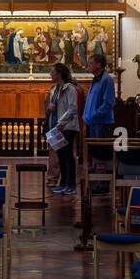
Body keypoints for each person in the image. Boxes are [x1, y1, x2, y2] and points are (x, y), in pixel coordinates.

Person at [48, 62, 79, 196]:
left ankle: (70, 185)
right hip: (56, 127)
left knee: (68, 156)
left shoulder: (70, 88)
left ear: (59, 74)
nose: (50, 74)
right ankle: (62, 183)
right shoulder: (54, 89)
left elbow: (72, 108)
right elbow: (54, 106)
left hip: (67, 127)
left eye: (52, 72)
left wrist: (61, 122)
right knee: (60, 156)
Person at [83, 50, 116, 136]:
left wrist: (95, 114)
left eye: (90, 63)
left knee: (101, 148)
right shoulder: (95, 79)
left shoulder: (106, 79)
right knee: (94, 148)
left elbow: (109, 102)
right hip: (93, 122)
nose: (88, 65)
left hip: (102, 122)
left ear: (98, 64)